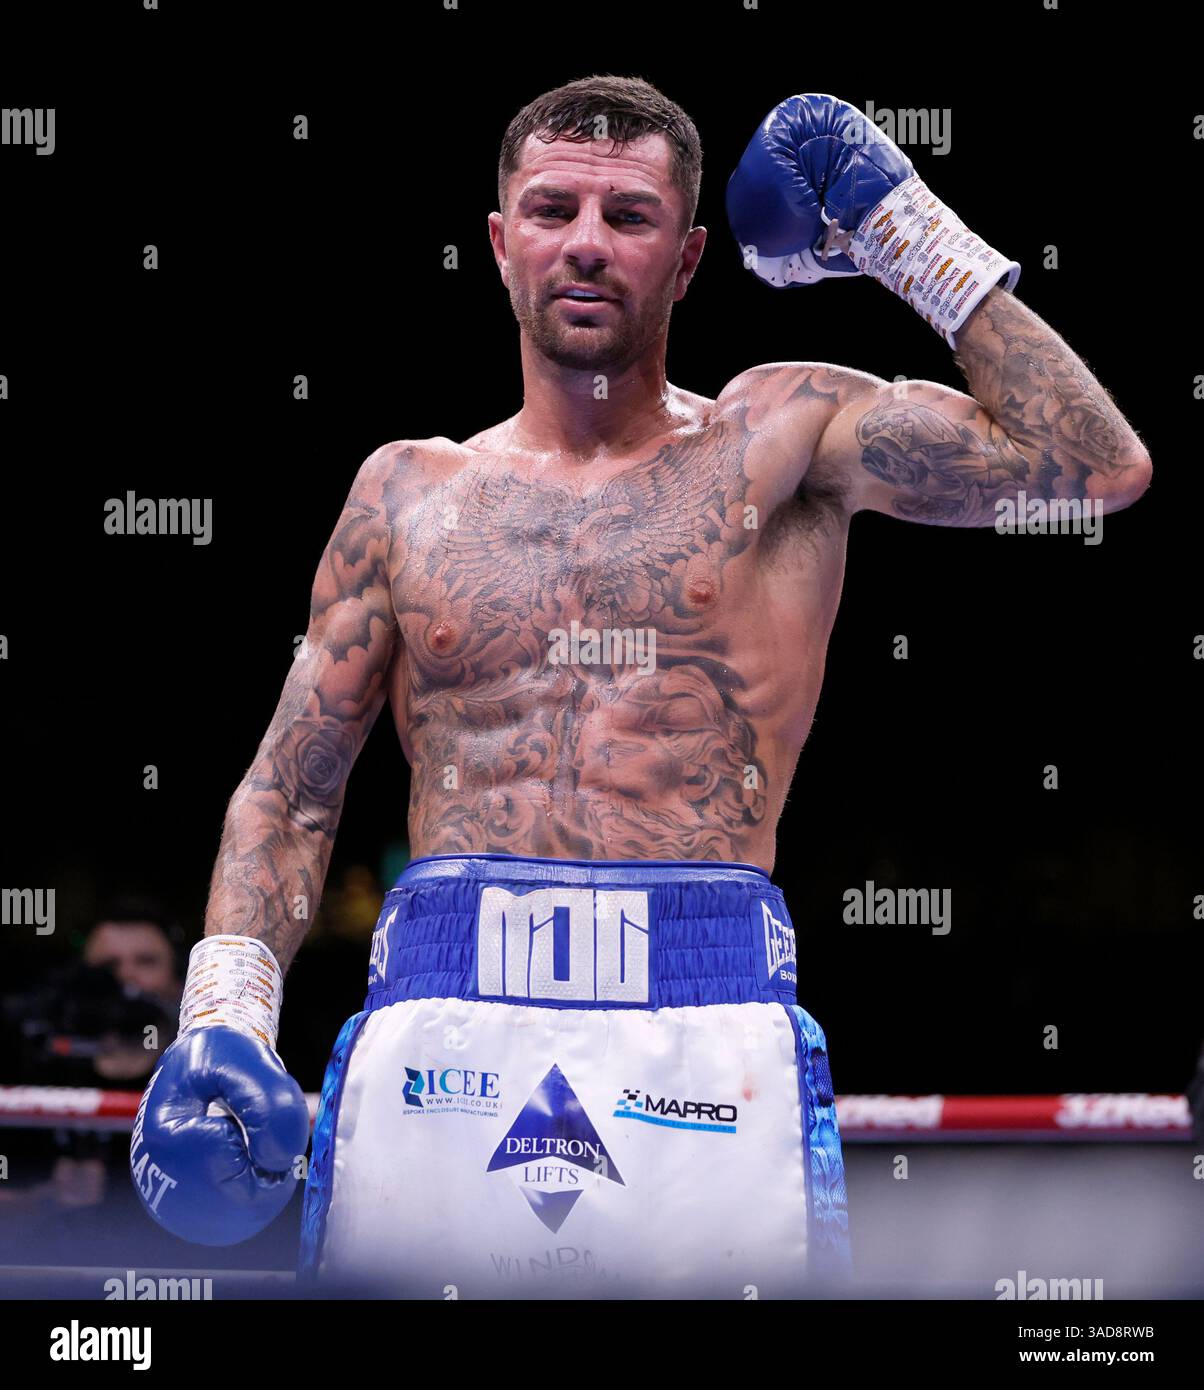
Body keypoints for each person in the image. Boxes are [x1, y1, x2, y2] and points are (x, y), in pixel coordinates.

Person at [129, 77, 1151, 1297]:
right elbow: (288, 798)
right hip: (435, 1031)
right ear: (502, 243)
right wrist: (226, 1017)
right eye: (553, 208)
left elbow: (1094, 466)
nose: (586, 243)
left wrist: (899, 227)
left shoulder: (782, 439)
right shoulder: (404, 490)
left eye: (629, 215)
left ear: (690, 257)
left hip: (705, 1036)